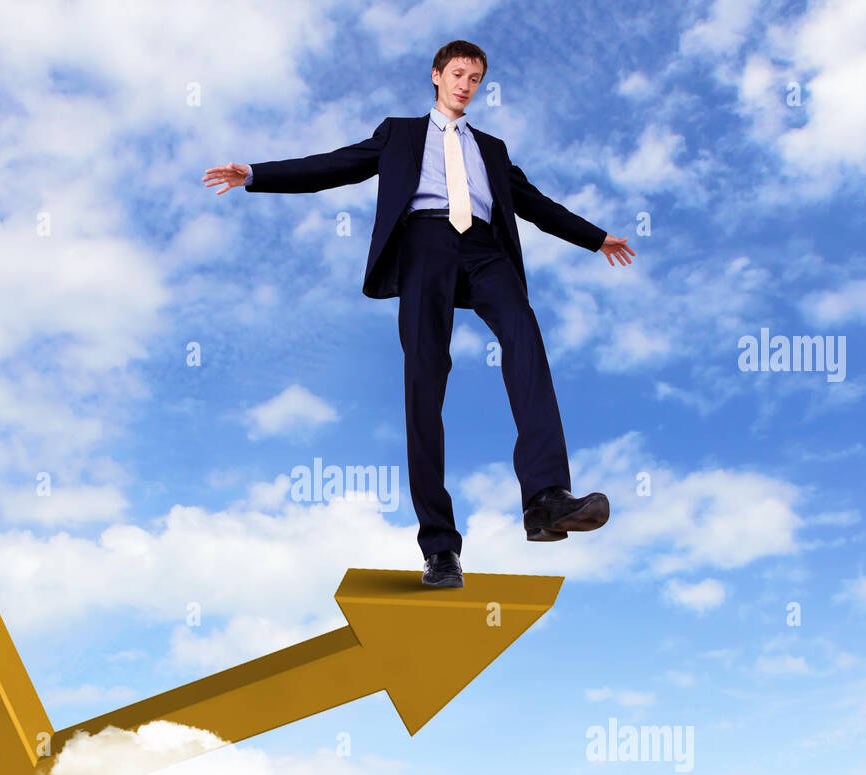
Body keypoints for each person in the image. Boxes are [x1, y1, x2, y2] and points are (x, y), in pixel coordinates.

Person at [204, 39, 635, 589]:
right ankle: (440, 549)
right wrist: (257, 174)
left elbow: (535, 203)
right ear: (436, 75)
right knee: (425, 383)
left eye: (476, 79)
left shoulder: (493, 150)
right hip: (425, 245)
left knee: (525, 340)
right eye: (458, 74)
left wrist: (596, 238)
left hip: (486, 252)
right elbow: (335, 165)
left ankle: (546, 497)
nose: (466, 85)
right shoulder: (400, 133)